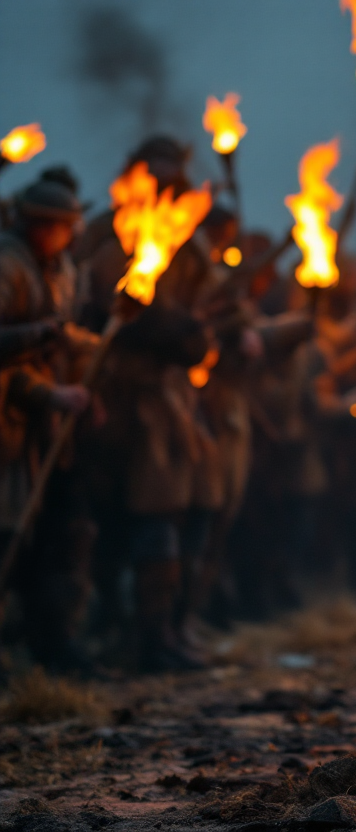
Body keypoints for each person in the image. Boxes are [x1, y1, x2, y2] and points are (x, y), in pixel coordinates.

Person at [75, 137, 216, 671]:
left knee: (164, 516)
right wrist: (167, 327)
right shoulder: (105, 236)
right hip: (113, 396)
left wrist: (193, 335)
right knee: (111, 523)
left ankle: (160, 633)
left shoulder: (187, 241)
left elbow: (200, 312)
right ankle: (119, 632)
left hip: (166, 401)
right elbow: (104, 312)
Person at [0, 171, 100, 674]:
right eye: (59, 226)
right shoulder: (8, 265)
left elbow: (63, 338)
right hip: (9, 422)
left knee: (56, 537)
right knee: (6, 536)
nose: (66, 236)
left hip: (42, 429)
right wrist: (42, 348)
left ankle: (53, 643)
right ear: (37, 224)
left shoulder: (61, 269)